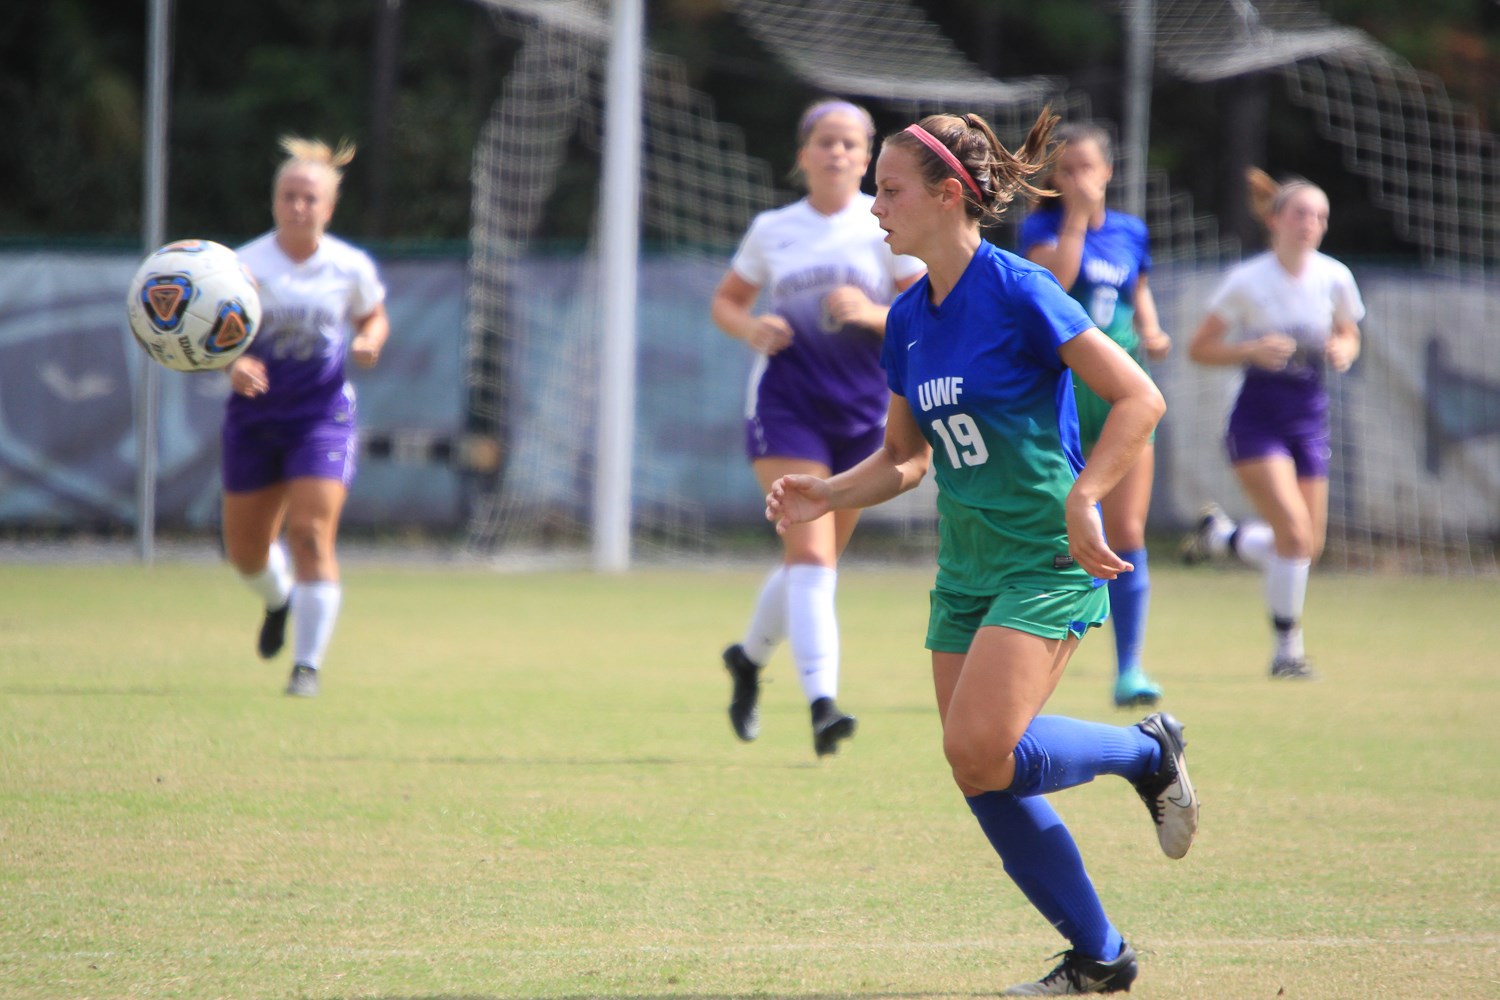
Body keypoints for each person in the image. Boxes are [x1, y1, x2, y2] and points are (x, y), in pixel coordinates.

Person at [766, 109, 1198, 995]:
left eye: (887, 190)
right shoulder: (906, 320)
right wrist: (827, 492)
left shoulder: (1020, 289)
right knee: (979, 769)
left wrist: (1087, 496)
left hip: (1045, 554)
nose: (873, 207)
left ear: (947, 195)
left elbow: (1140, 398)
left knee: (979, 747)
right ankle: (1101, 957)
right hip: (965, 566)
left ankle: (1145, 753)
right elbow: (904, 458)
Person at [709, 98, 926, 756]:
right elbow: (727, 301)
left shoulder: (885, 225)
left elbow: (924, 316)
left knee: (816, 562)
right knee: (810, 555)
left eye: (850, 143)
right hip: (788, 405)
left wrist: (869, 311)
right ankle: (823, 705)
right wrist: (750, 327)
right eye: (824, 142)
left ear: (868, 158)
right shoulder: (774, 228)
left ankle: (748, 659)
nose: (837, 152)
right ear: (801, 155)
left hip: (867, 411)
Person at [222, 135, 389, 698]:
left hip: (321, 417)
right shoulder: (242, 266)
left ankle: (307, 667)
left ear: (328, 207)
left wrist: (369, 339)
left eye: (308, 198)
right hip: (254, 419)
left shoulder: (349, 265)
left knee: (311, 533)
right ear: (274, 201)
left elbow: (374, 317)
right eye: (289, 196)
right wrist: (234, 364)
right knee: (246, 551)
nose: (298, 206)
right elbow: (217, 339)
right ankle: (278, 598)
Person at [1182, 169, 1364, 680]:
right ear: (1276, 219)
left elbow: (1350, 334)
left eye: (1321, 216)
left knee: (1307, 545)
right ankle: (1287, 652)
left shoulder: (1334, 277)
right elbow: (1200, 347)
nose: (1312, 224)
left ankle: (1222, 538)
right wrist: (1250, 350)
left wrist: (1343, 349)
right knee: (1292, 533)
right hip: (1258, 419)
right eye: (1302, 213)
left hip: (1309, 418)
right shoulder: (1248, 280)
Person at [1020, 122, 1171, 709]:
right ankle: (1040, 654)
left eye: (1088, 167)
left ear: (1108, 172)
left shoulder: (1133, 232)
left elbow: (1137, 296)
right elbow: (1053, 289)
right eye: (1067, 170)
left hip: (1121, 396)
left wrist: (1153, 332)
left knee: (1127, 531)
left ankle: (1129, 667)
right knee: (1061, 532)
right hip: (1060, 397)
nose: (1078, 178)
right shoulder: (1042, 230)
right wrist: (1076, 220)